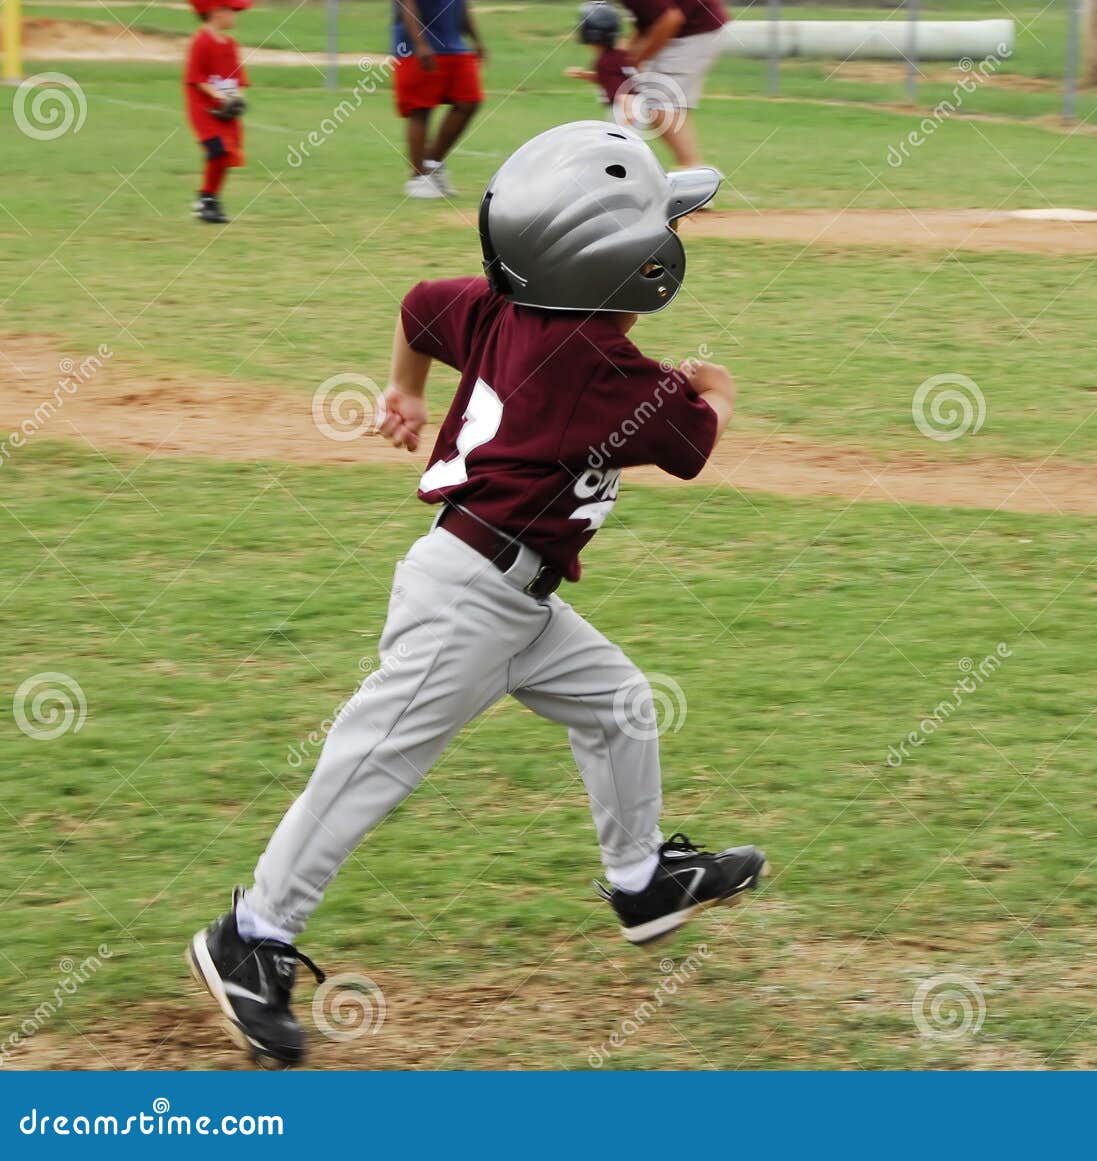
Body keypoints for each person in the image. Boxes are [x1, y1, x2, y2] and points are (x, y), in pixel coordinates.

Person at [186, 121, 763, 1069]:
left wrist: (404, 389)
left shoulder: (503, 309)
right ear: (619, 266)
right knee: (370, 764)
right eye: (660, 228)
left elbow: (420, 306)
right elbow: (696, 441)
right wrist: (719, 387)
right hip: (469, 598)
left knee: (619, 703)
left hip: (509, 592)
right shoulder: (606, 371)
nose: (669, 240)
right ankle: (250, 935)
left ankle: (641, 880)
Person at [393, 0, 487, 199]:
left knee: (469, 101)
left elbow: (462, 6)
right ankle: (418, 178)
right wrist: (420, 43)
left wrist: (476, 39)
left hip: (455, 46)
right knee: (420, 110)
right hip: (415, 48)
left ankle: (432, 164)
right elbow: (407, 5)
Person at [616, 0, 727, 168]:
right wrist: (629, 53)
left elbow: (670, 18)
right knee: (660, 104)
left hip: (694, 30)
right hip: (689, 26)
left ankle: (694, 171)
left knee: (661, 104)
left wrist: (638, 59)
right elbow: (650, 18)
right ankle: (692, 169)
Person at [184, 0, 251, 225]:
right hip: (204, 110)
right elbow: (196, 78)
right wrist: (221, 97)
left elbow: (239, 78)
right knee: (218, 148)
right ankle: (206, 200)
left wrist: (237, 99)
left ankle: (208, 199)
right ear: (216, 12)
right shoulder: (201, 41)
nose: (235, 15)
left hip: (226, 111)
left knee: (227, 153)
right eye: (231, 10)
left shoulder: (230, 44)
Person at [564, 1, 636, 114]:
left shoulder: (605, 62)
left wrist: (628, 111)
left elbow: (620, 89)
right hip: (633, 108)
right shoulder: (619, 55)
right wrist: (585, 75)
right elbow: (610, 79)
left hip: (623, 111)